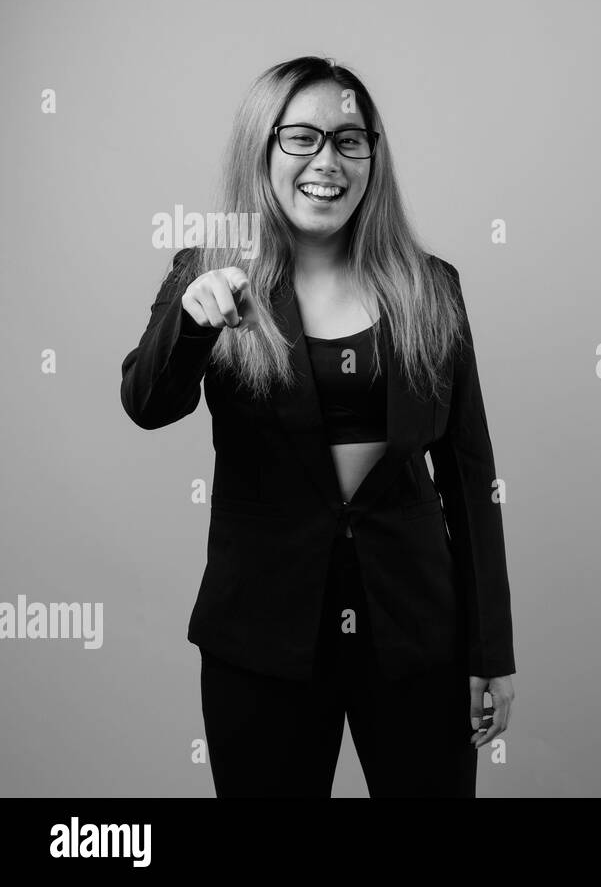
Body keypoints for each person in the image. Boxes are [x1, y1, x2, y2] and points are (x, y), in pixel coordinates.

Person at [120, 56, 515, 797]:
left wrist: (490, 649)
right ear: (261, 148)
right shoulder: (206, 272)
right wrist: (193, 321)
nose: (326, 161)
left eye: (349, 139)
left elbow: (469, 477)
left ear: (374, 153)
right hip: (262, 639)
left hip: (416, 639)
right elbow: (147, 402)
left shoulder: (433, 288)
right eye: (300, 137)